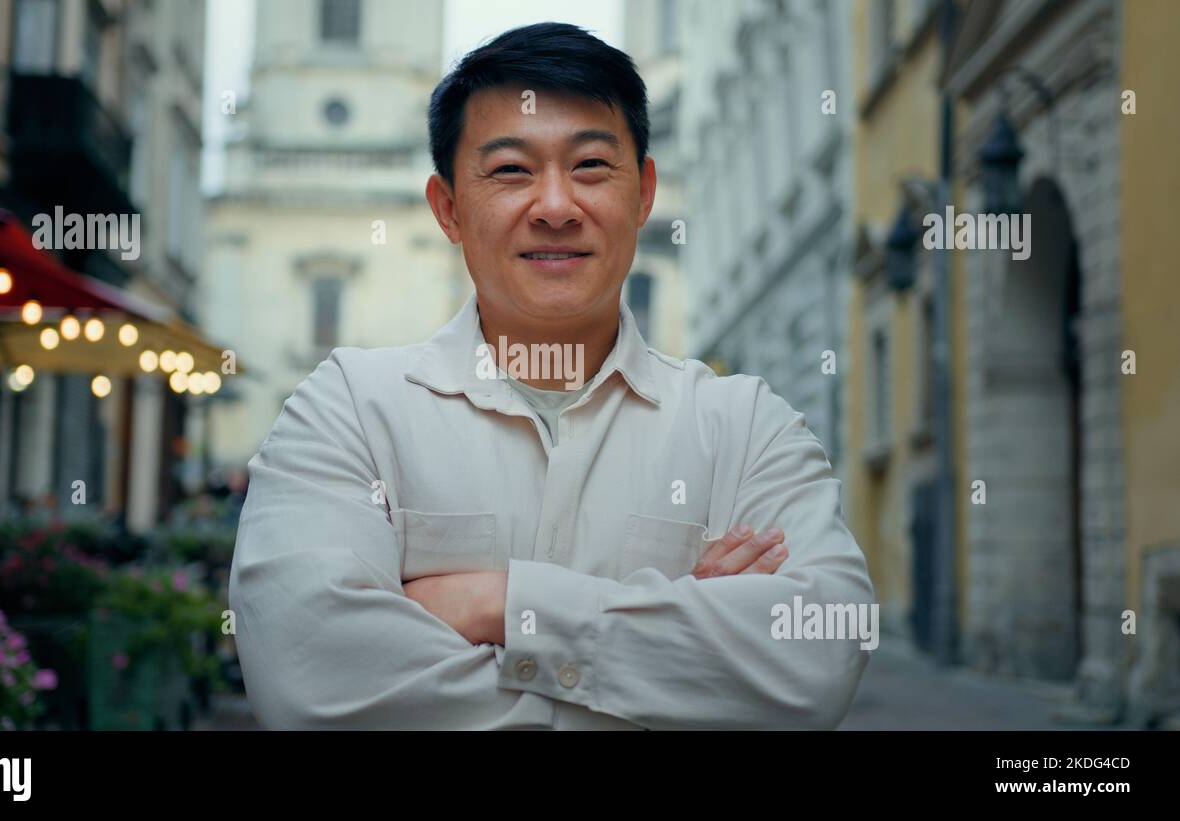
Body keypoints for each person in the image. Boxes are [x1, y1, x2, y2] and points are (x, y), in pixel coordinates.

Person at [229, 21, 874, 730]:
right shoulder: (349, 408)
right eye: (510, 170)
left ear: (645, 192)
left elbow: (820, 654)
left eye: (592, 166)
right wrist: (677, 641)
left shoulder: (745, 423)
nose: (557, 207)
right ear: (447, 207)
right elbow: (313, 684)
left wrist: (496, 602)